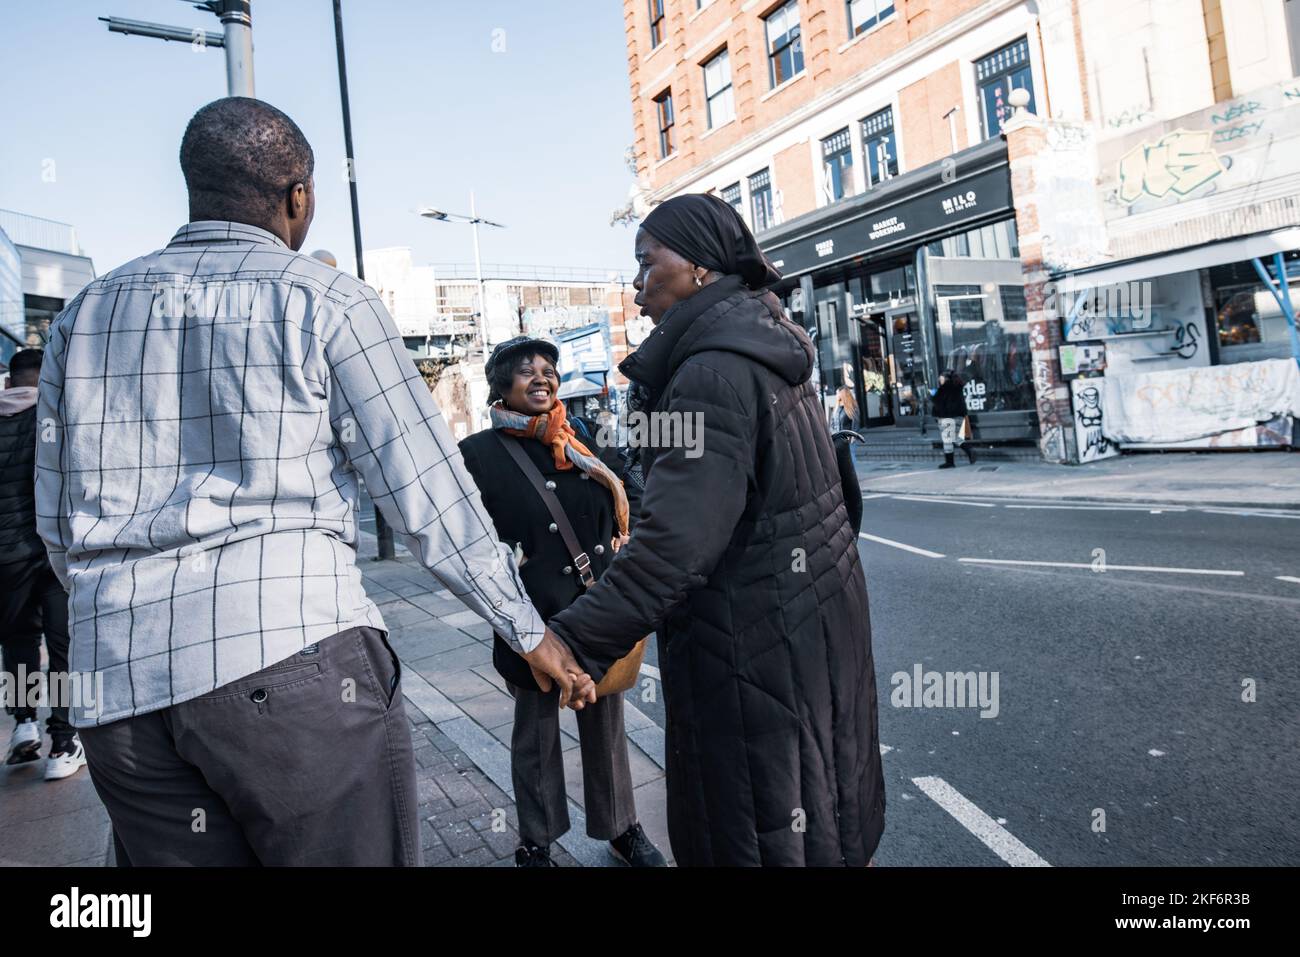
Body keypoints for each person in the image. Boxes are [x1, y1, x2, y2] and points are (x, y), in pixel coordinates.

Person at [33, 97, 592, 867]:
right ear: (299, 197)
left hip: (121, 693)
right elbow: (430, 493)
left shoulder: (83, 317)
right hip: (291, 663)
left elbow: (57, 519)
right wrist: (528, 631)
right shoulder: (327, 301)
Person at [547, 193, 885, 866]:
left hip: (751, 652)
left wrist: (570, 641)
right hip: (814, 635)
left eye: (647, 265)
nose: (637, 284)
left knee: (762, 833)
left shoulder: (709, 370)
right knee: (822, 816)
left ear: (700, 266)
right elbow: (840, 499)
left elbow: (675, 543)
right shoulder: (765, 348)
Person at [458, 337, 666, 868]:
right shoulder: (478, 453)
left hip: (596, 610)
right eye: (526, 372)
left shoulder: (584, 437)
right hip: (532, 617)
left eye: (548, 370)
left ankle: (622, 826)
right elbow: (468, 537)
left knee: (606, 722)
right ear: (501, 385)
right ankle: (537, 839)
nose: (541, 379)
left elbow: (634, 493)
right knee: (535, 734)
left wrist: (626, 547)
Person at [0, 349, 84, 780]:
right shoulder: (55, 421)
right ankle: (64, 742)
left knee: (18, 646)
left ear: (11, 381)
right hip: (50, 553)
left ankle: (23, 724)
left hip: (5, 563)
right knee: (62, 650)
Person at [932, 368, 976, 469]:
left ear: (946, 378)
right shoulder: (957, 387)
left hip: (947, 417)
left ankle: (950, 462)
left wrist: (933, 396)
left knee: (948, 439)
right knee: (955, 438)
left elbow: (937, 402)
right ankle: (969, 451)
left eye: (941, 378)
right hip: (959, 417)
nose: (940, 379)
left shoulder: (944, 388)